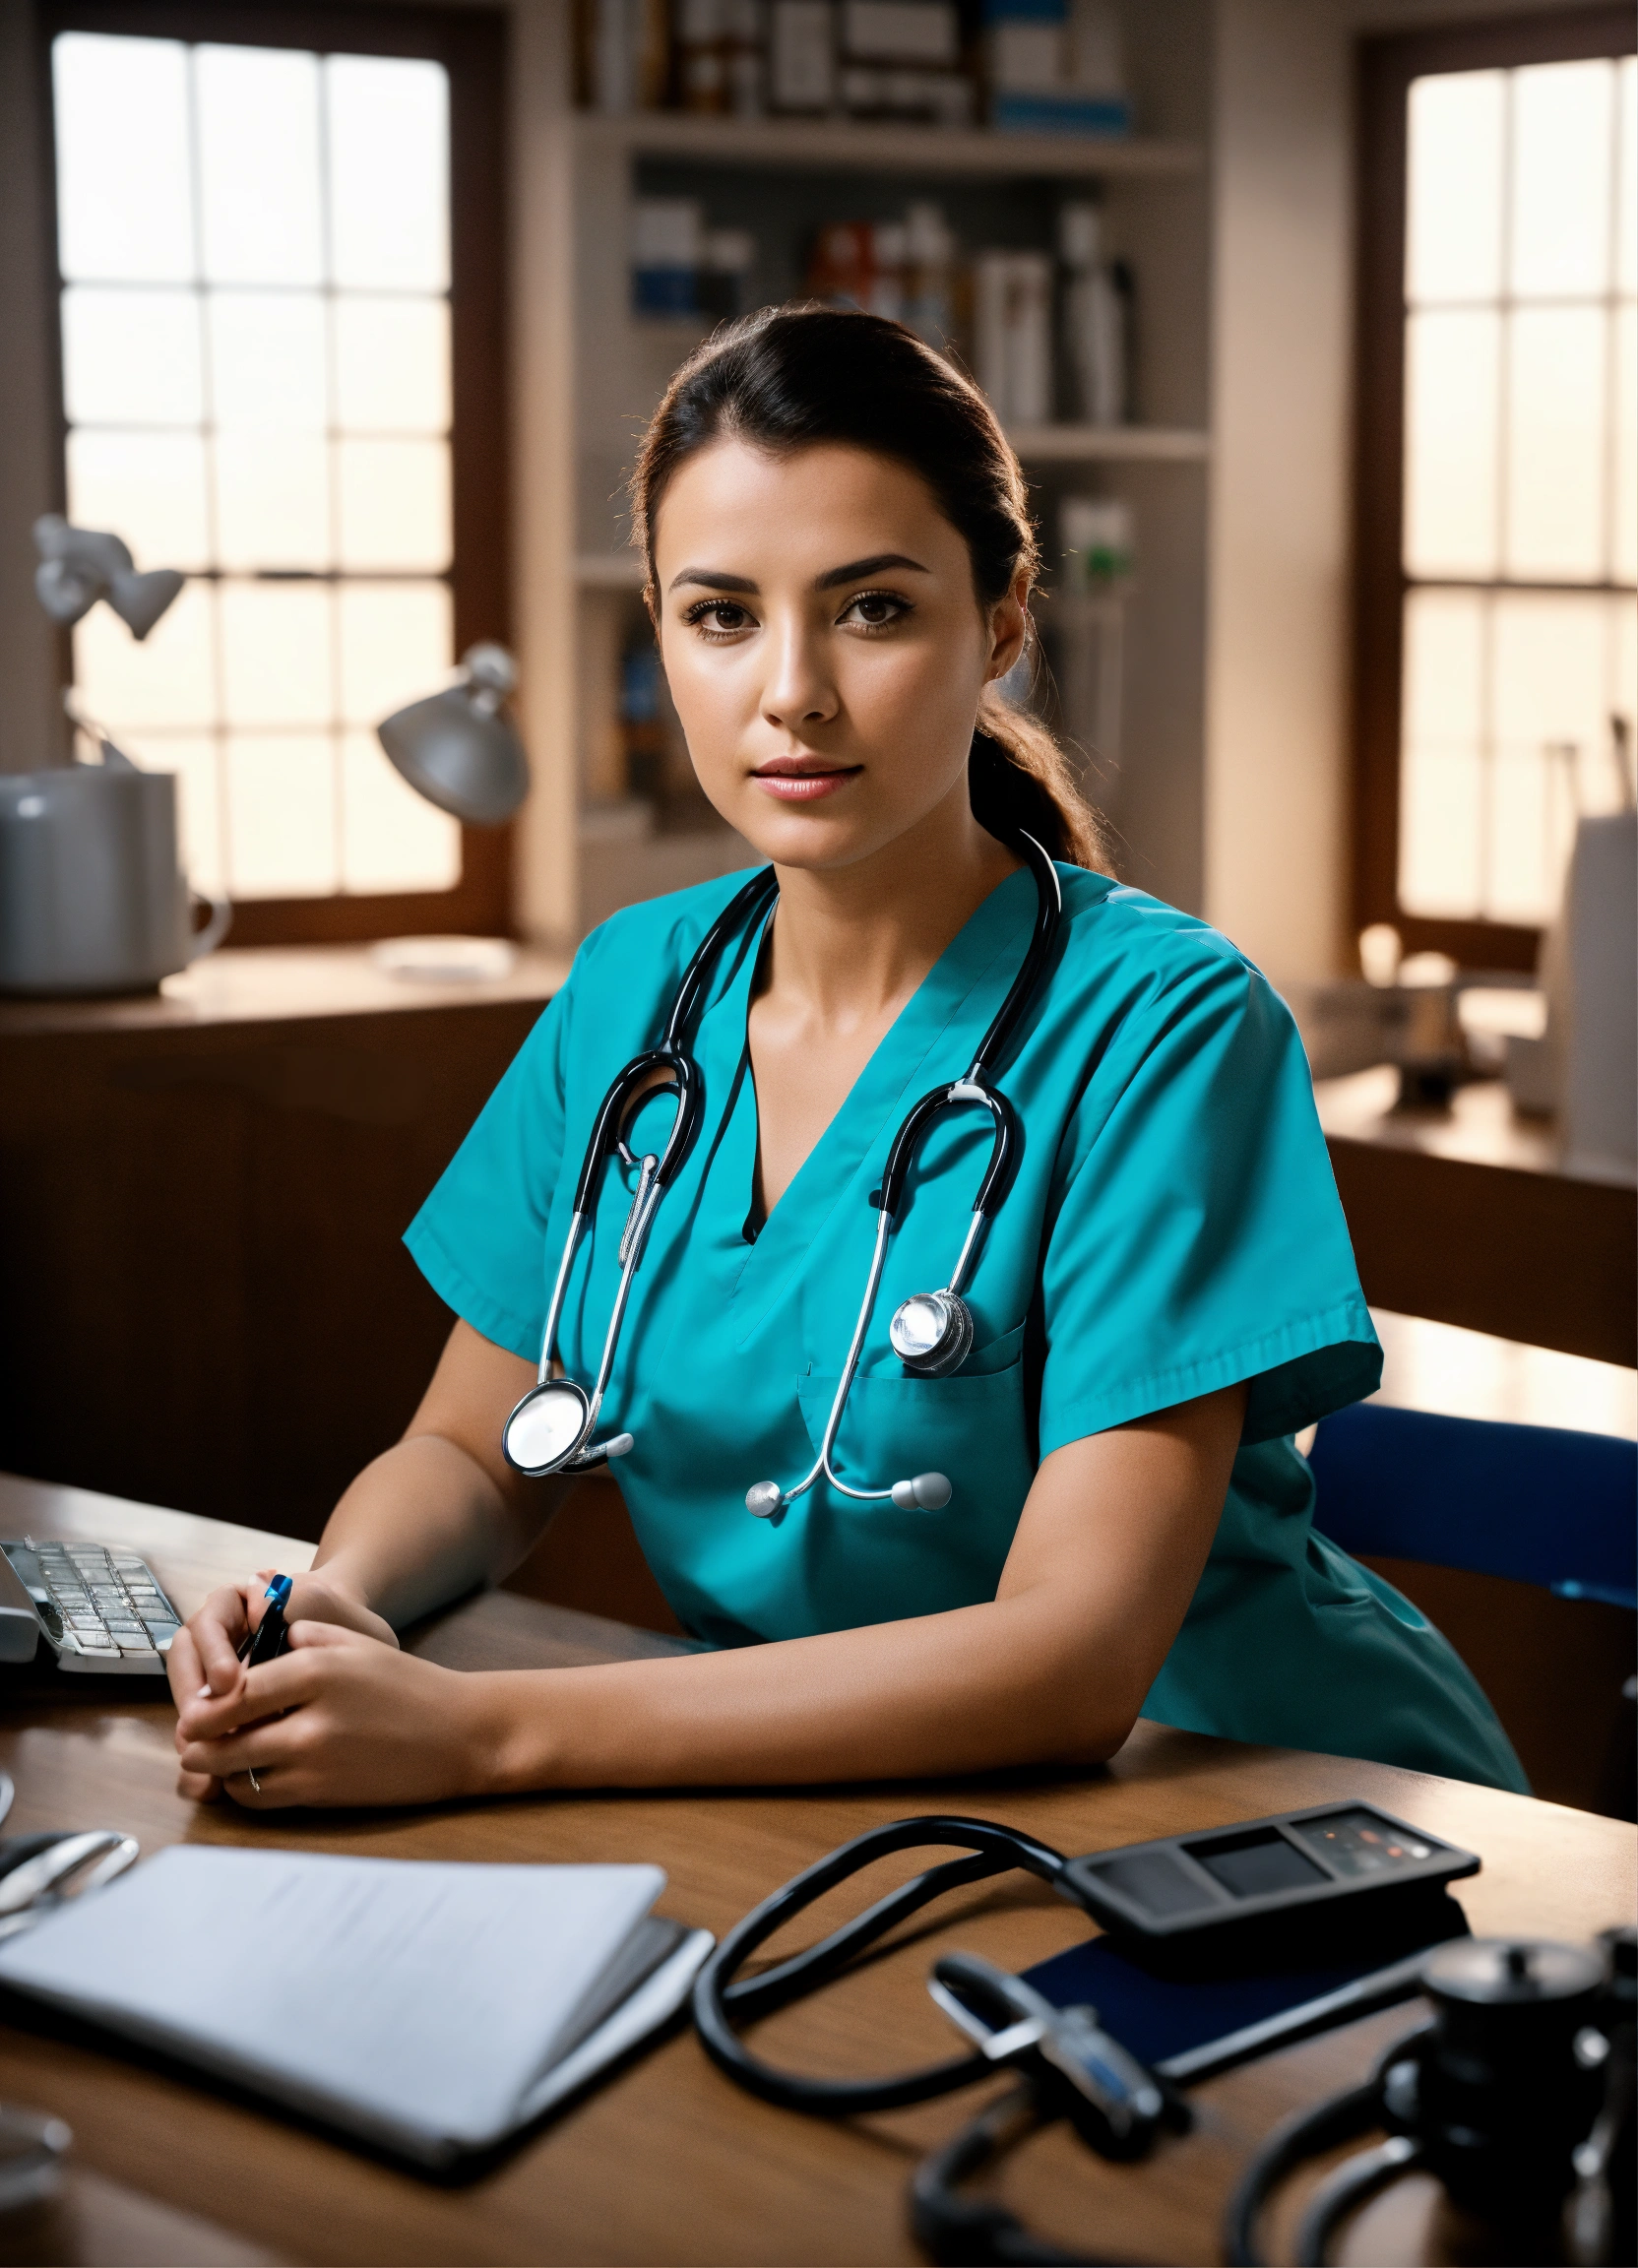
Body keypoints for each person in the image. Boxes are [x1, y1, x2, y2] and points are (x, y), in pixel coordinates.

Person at [169, 305, 1525, 1809]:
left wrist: (486, 1733)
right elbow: (476, 1459)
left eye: (872, 610)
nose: (791, 691)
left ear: (1003, 622)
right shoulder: (637, 992)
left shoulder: (1170, 1030)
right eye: (722, 613)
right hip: (827, 1803)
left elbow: (1073, 1662)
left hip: (1248, 1810)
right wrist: (337, 1608)